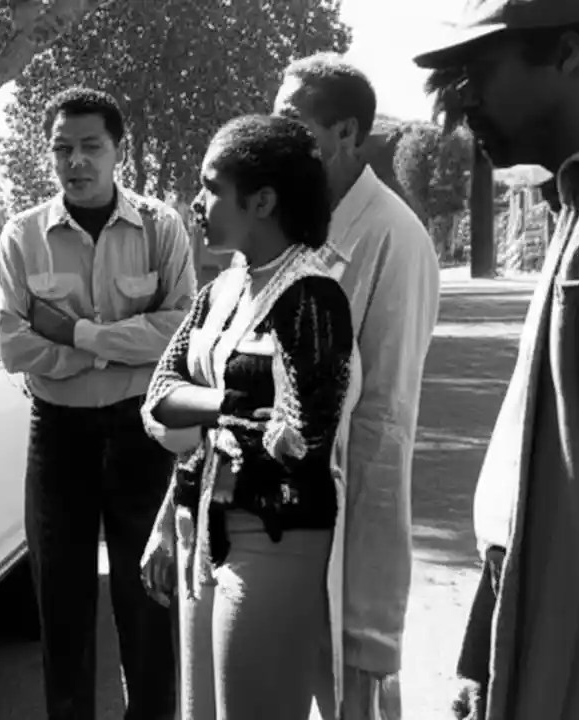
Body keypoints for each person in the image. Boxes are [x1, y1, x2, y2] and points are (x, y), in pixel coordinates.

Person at [413, 1, 579, 718]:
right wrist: (482, 648)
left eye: (481, 72)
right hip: (524, 603)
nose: (464, 103)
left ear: (568, 54)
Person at [139, 114, 360, 720]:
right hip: (199, 526)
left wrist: (208, 412)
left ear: (262, 200)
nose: (196, 201)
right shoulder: (221, 291)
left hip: (274, 536)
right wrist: (233, 407)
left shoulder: (313, 297)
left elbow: (297, 442)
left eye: (211, 187)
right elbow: (158, 396)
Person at [0, 86, 197, 720]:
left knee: (150, 597)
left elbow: (182, 329)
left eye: (90, 147)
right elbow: (14, 345)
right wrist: (122, 347)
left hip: (141, 434)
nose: (75, 163)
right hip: (58, 436)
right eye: (61, 149)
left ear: (117, 152)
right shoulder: (23, 237)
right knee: (63, 602)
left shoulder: (162, 228)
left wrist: (77, 334)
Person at [272, 53, 442, 720]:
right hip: (278, 521)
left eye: (293, 120)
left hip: (345, 527)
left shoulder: (395, 239)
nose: (276, 132)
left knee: (354, 695)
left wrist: (367, 603)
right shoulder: (286, 224)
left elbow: (384, 426)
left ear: (343, 132)